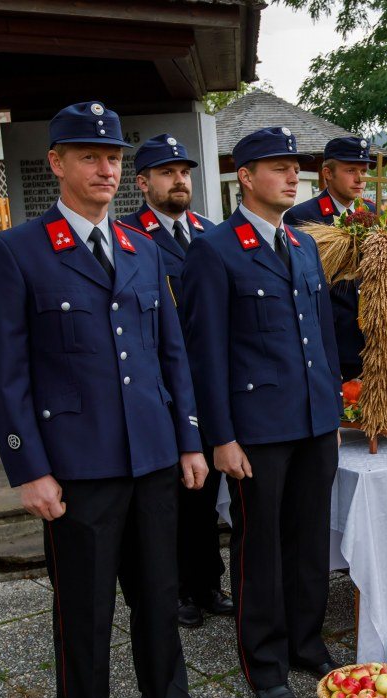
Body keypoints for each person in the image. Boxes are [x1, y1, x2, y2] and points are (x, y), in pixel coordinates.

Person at [0, 102, 217, 698]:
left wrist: (190, 440)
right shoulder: (18, 252)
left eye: (113, 156)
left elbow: (171, 355)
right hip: (76, 473)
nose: (105, 167)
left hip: (153, 461)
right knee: (85, 610)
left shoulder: (141, 250)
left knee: (159, 598)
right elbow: (2, 373)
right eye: (88, 155)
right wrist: (28, 466)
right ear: (56, 164)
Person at [179, 126, 342, 698]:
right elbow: (205, 354)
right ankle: (265, 660)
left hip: (313, 422)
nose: (290, 173)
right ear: (245, 177)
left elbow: (321, 339)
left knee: (309, 540)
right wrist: (219, 436)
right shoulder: (215, 250)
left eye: (293, 164)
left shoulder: (304, 247)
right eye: (276, 166)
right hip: (256, 429)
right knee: (261, 546)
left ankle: (305, 641)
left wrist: (332, 408)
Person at [119, 134, 231, 630]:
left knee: (207, 492)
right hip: (161, 388)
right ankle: (178, 589)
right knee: (173, 498)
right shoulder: (129, 236)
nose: (179, 180)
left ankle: (209, 582)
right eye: (166, 172)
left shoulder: (210, 232)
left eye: (184, 171)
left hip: (209, 384)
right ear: (143, 183)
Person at [283, 135, 377, 379]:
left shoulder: (371, 213)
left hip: (373, 342)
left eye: (363, 171)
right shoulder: (303, 217)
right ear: (328, 173)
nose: (360, 179)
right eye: (350, 170)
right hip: (334, 340)